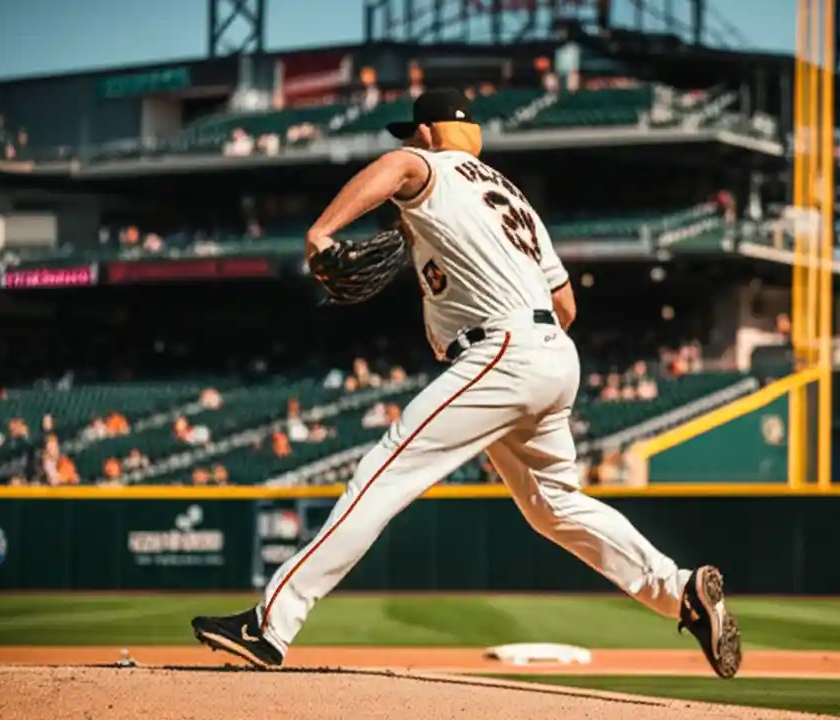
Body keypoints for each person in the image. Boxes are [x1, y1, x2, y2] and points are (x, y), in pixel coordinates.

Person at [190, 88, 741, 679]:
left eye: (413, 132)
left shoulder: (430, 166)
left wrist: (321, 232)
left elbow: (399, 167)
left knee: (385, 469)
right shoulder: (512, 198)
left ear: (429, 132)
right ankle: (677, 588)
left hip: (501, 352)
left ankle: (270, 623)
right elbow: (566, 305)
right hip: (553, 355)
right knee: (554, 506)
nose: (408, 142)